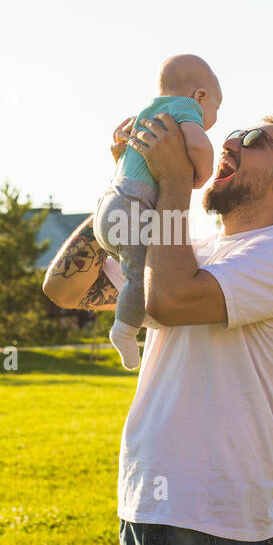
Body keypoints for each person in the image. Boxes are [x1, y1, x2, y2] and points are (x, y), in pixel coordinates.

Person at [43, 109, 273, 545]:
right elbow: (66, 286)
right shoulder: (185, 251)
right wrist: (131, 181)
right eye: (235, 132)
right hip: (145, 508)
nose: (231, 141)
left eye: (254, 140)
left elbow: (170, 299)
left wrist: (172, 183)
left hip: (217, 518)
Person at [92, 54, 220, 369]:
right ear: (199, 95)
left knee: (143, 259)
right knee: (139, 279)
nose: (213, 116)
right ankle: (124, 330)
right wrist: (200, 172)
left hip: (108, 207)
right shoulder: (186, 108)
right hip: (133, 208)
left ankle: (126, 324)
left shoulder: (145, 113)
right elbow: (198, 144)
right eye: (216, 108)